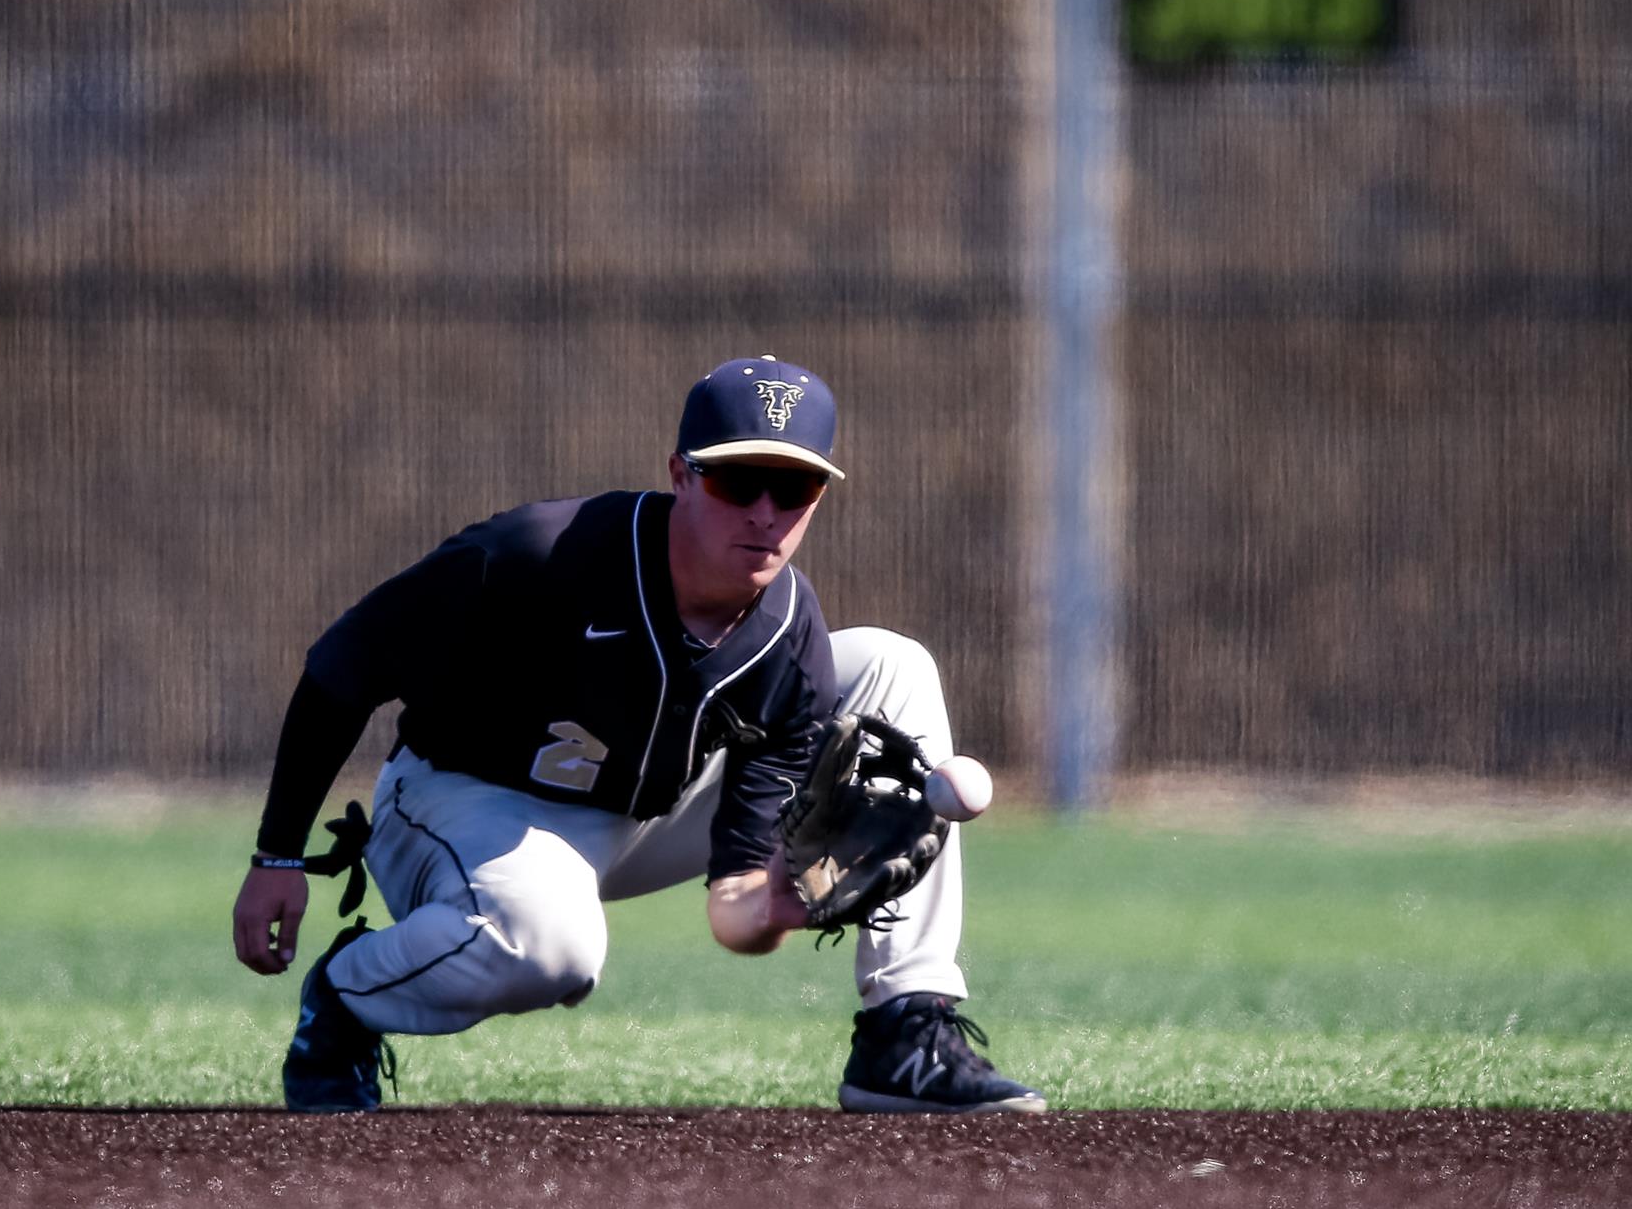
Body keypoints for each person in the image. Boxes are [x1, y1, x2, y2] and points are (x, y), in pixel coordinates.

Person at [230, 355, 1045, 1116]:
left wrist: (777, 904)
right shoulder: (538, 556)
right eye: (739, 480)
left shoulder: (788, 636)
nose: (766, 513)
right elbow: (343, 667)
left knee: (892, 666)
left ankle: (905, 1031)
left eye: (794, 487)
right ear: (680, 474)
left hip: (645, 811)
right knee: (555, 948)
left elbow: (731, 909)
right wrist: (278, 856)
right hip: (465, 802)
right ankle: (347, 996)